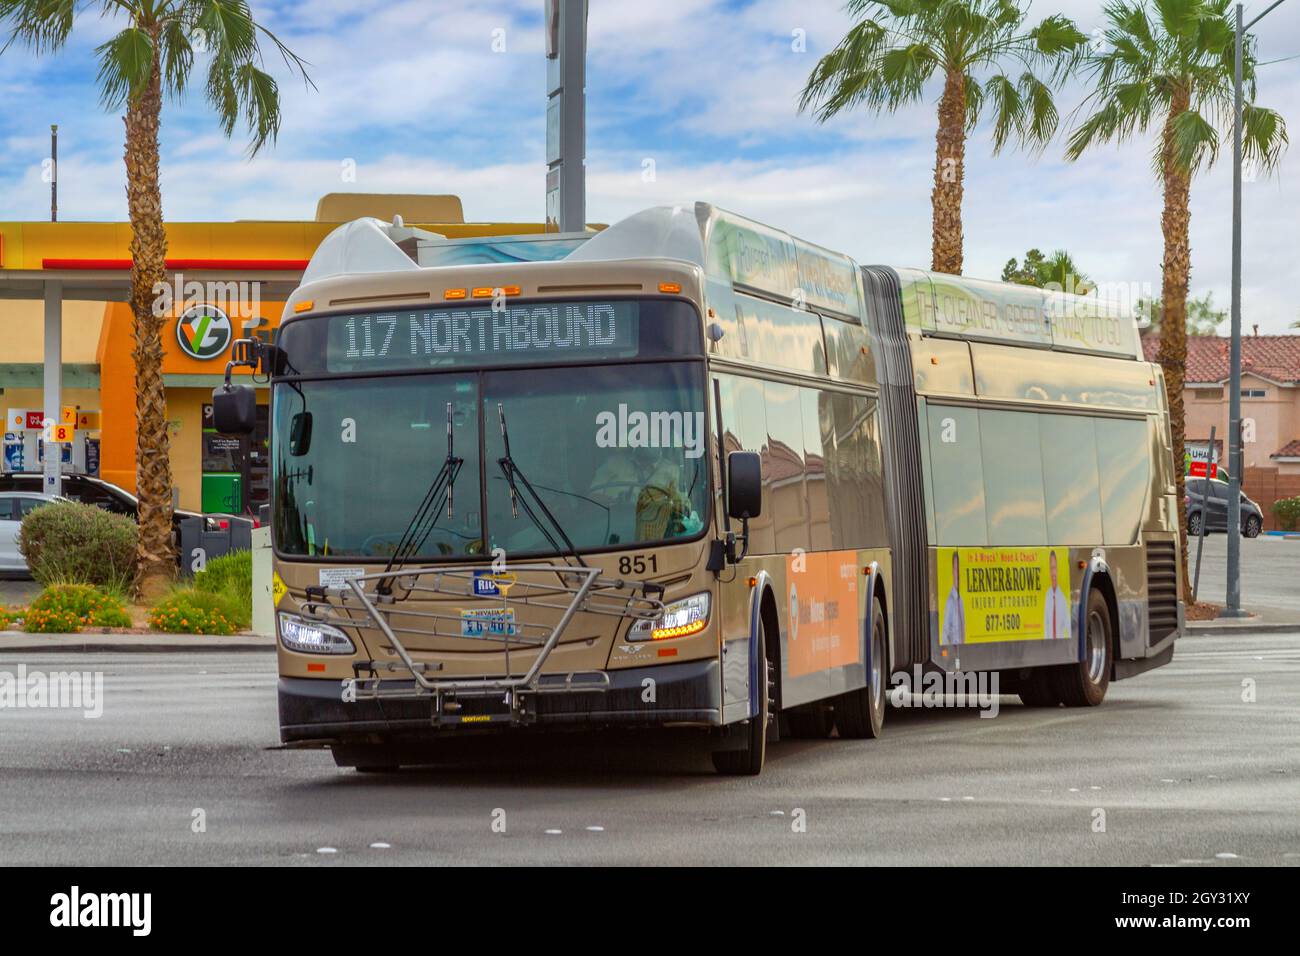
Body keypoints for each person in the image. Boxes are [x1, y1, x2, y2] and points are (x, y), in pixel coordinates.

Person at [1042, 550, 1071, 640]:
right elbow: (1046, 624)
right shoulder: (1047, 595)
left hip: (1060, 643)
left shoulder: (1063, 598)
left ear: (1057, 570)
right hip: (1049, 645)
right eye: (1051, 568)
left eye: (1054, 568)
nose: (1053, 572)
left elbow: (1068, 625)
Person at [940, 550, 965, 646]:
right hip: (954, 648)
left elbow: (963, 629)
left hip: (962, 649)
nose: (957, 573)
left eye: (959, 569)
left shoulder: (961, 600)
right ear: (952, 571)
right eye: (955, 569)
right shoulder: (950, 601)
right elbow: (945, 631)